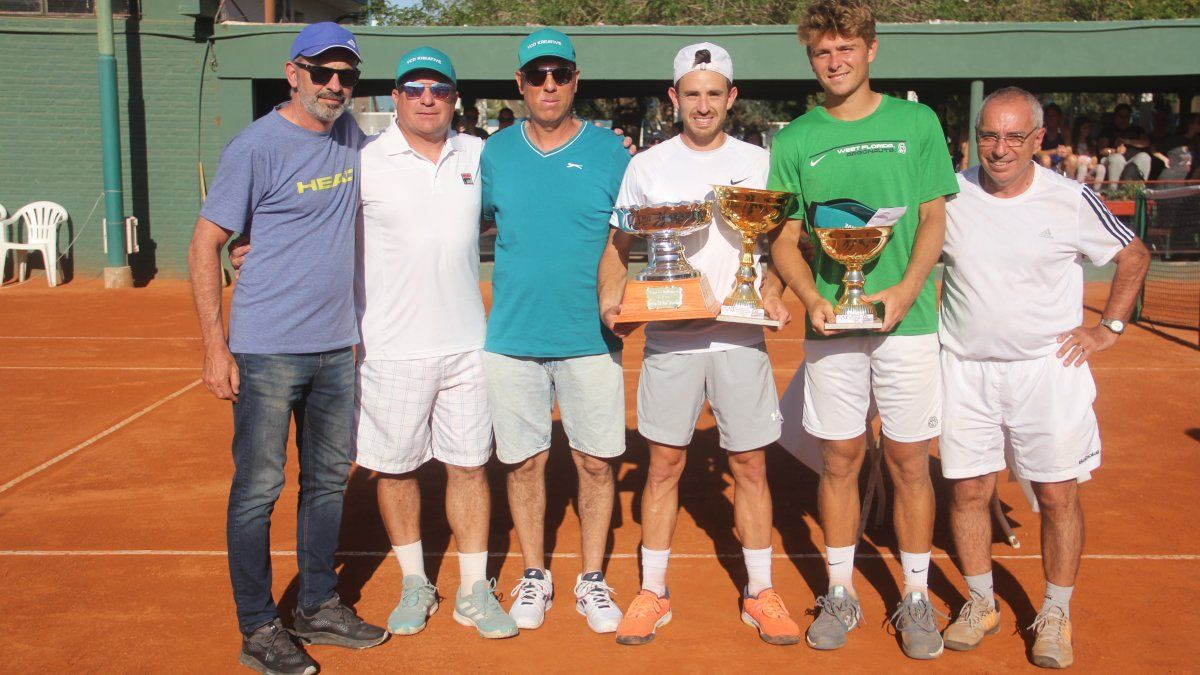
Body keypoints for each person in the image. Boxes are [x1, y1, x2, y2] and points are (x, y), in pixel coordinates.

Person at [187, 22, 386, 675]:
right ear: (292, 71)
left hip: (337, 348)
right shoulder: (257, 146)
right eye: (322, 73)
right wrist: (216, 346)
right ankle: (257, 627)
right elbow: (206, 241)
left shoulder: (353, 136)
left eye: (345, 76)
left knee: (327, 480)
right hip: (267, 349)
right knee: (258, 487)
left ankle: (318, 605)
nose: (334, 86)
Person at [766, 0, 959, 659]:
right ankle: (841, 590)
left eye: (846, 47)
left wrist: (906, 290)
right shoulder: (794, 139)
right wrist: (806, 295)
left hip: (908, 324)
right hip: (832, 325)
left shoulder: (917, 121)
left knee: (908, 461)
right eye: (822, 51)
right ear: (811, 59)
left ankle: (913, 596)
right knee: (840, 459)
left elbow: (933, 217)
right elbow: (786, 238)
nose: (835, 60)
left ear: (871, 50)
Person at [938, 87, 1149, 669]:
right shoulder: (949, 194)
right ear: (974, 137)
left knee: (1057, 495)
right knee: (969, 492)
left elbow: (1133, 257)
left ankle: (1055, 613)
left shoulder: (1072, 198)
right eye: (988, 136)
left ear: (1037, 140)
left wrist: (1110, 327)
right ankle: (980, 602)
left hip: (1049, 373)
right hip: (965, 369)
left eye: (1013, 137)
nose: (999, 149)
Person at [597, 42, 796, 647]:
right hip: (671, 338)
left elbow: (783, 240)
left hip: (739, 337)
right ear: (673, 98)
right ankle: (652, 592)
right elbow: (618, 248)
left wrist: (774, 285)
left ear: (731, 98)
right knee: (663, 466)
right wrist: (614, 302)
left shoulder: (760, 164)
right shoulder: (648, 167)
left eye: (714, 93)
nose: (703, 105)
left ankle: (759, 591)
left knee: (750, 465)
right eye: (692, 93)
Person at [353, 46, 517, 640]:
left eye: (440, 88)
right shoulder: (365, 160)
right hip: (390, 348)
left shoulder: (480, 153)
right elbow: (317, 228)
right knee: (396, 471)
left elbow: (531, 188)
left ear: (455, 97)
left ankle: (475, 589)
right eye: (415, 88)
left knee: (470, 467)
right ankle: (415, 581)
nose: (428, 99)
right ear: (395, 96)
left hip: (469, 345)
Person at [480, 28, 631, 635]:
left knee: (595, 465)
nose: (549, 85)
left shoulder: (614, 153)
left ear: (575, 82)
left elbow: (636, 233)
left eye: (560, 75)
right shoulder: (493, 154)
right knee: (524, 465)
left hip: (590, 338)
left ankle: (591, 577)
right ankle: (535, 573)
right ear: (520, 84)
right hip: (512, 339)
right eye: (537, 76)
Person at [1098, 103, 1151, 185]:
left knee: (1144, 157)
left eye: (1126, 117)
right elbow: (1102, 150)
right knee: (1117, 159)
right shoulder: (1108, 130)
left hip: (1132, 162)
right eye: (1121, 116)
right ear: (1115, 117)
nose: (1123, 119)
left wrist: (1127, 141)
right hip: (1113, 161)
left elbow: (1146, 143)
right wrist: (1115, 151)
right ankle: (1113, 191)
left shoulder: (1137, 129)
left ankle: (1140, 191)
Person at [1034, 103, 1070, 174]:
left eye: (1054, 116)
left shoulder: (1064, 131)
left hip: (1060, 162)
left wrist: (1065, 151)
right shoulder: (1040, 131)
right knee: (1045, 159)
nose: (1051, 118)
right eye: (1048, 116)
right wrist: (1054, 151)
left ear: (1059, 117)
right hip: (1043, 162)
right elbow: (1037, 153)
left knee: (1072, 159)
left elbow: (1070, 149)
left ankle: (1071, 183)